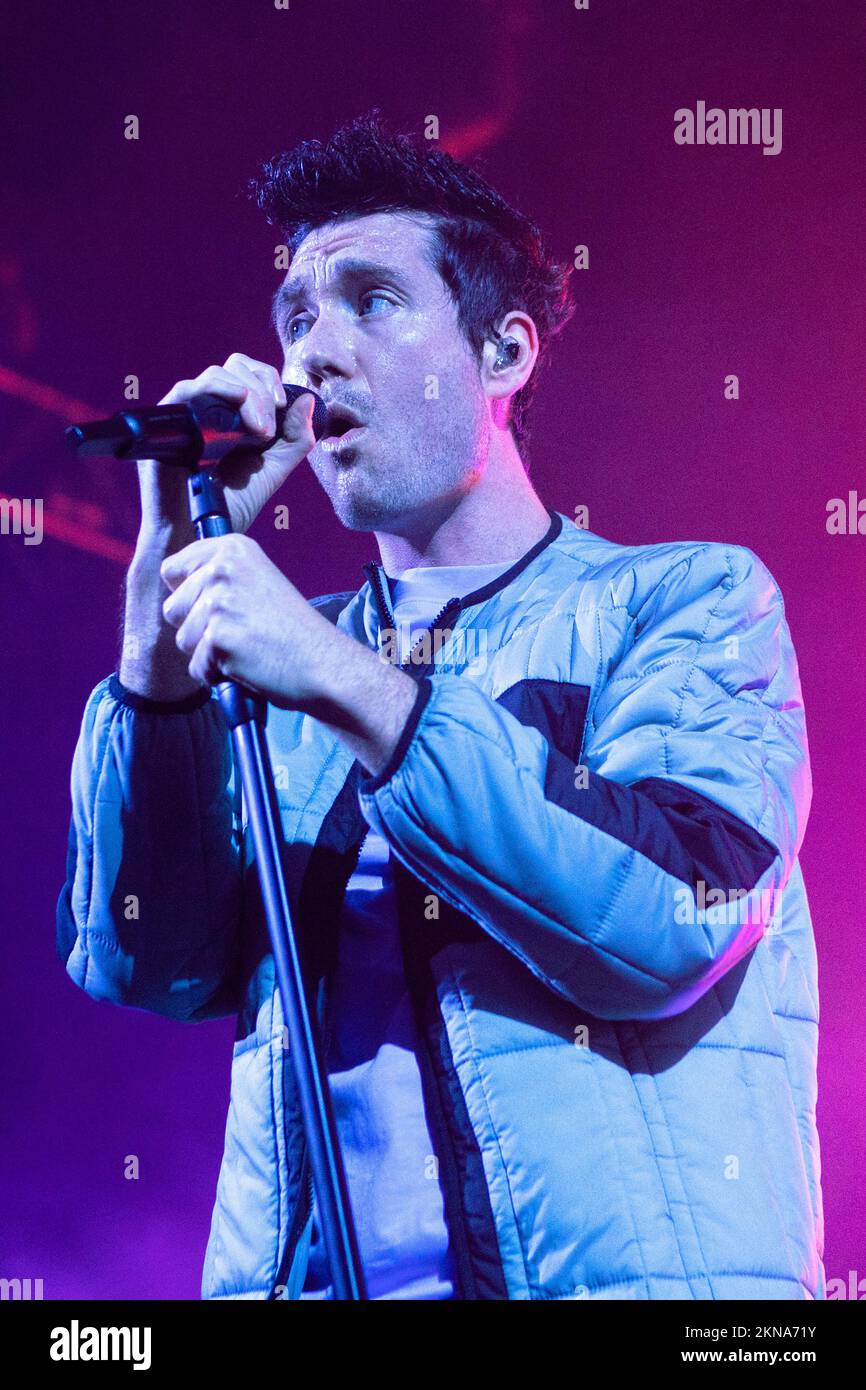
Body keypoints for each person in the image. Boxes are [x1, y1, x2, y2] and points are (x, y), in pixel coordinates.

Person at [57, 111, 824, 1300]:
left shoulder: (683, 598)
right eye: (297, 318)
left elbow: (676, 911)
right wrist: (159, 614)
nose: (314, 353)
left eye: (370, 302)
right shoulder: (289, 663)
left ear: (503, 354)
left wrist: (348, 681)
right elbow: (145, 963)